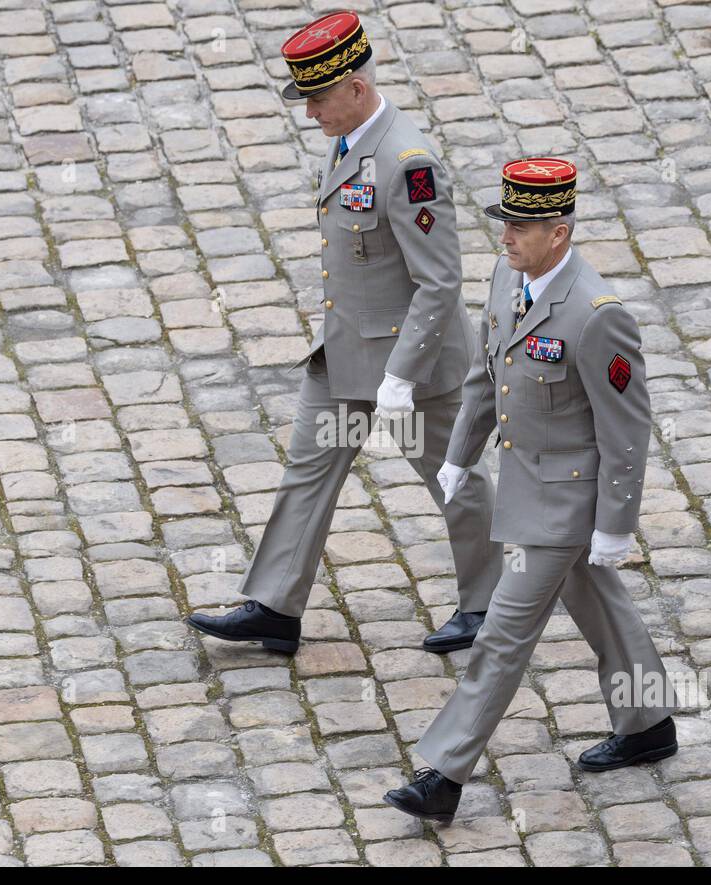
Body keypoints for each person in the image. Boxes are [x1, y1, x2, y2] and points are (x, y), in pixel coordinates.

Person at [186, 11, 503, 655]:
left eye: (319, 99)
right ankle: (274, 607)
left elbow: (439, 285)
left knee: (456, 481)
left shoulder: (409, 165)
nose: (310, 114)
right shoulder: (348, 140)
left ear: (357, 88)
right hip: (347, 356)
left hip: (414, 369)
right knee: (308, 471)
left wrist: (400, 377)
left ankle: (493, 606)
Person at [385, 158, 677, 824]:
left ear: (560, 233)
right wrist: (458, 458)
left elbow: (627, 428)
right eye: (506, 222)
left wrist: (615, 524)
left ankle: (443, 775)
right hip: (526, 488)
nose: (507, 236)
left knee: (501, 637)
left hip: (566, 503)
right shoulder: (505, 277)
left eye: (523, 226)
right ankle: (647, 720)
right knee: (599, 605)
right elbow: (487, 379)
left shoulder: (597, 316)